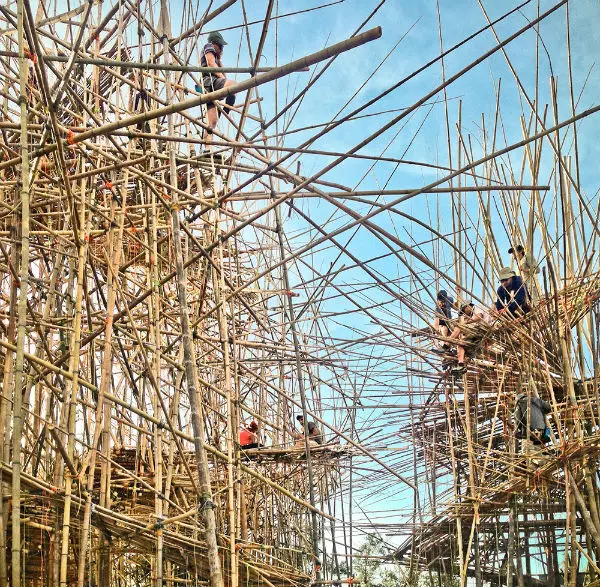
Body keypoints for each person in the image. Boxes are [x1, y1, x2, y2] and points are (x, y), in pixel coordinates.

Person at [200, 31, 237, 147]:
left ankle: (207, 148)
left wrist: (219, 60)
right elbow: (211, 64)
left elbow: (221, 70)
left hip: (208, 85)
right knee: (233, 85)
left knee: (212, 123)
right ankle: (226, 109)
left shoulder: (216, 56)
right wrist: (221, 76)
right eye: (220, 46)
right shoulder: (208, 46)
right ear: (214, 43)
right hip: (210, 81)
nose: (221, 49)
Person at [448, 302, 491, 375]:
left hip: (482, 331)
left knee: (459, 328)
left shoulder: (477, 307)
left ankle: (447, 343)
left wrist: (465, 323)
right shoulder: (474, 312)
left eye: (464, 311)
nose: (465, 314)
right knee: (461, 344)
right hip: (479, 332)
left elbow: (478, 317)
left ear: (467, 306)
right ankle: (461, 365)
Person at [514, 393, 551, 465]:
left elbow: (518, 420)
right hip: (542, 431)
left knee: (527, 452)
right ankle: (545, 459)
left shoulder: (520, 403)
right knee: (537, 449)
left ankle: (546, 460)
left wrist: (520, 431)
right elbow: (548, 408)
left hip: (530, 432)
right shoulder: (537, 400)